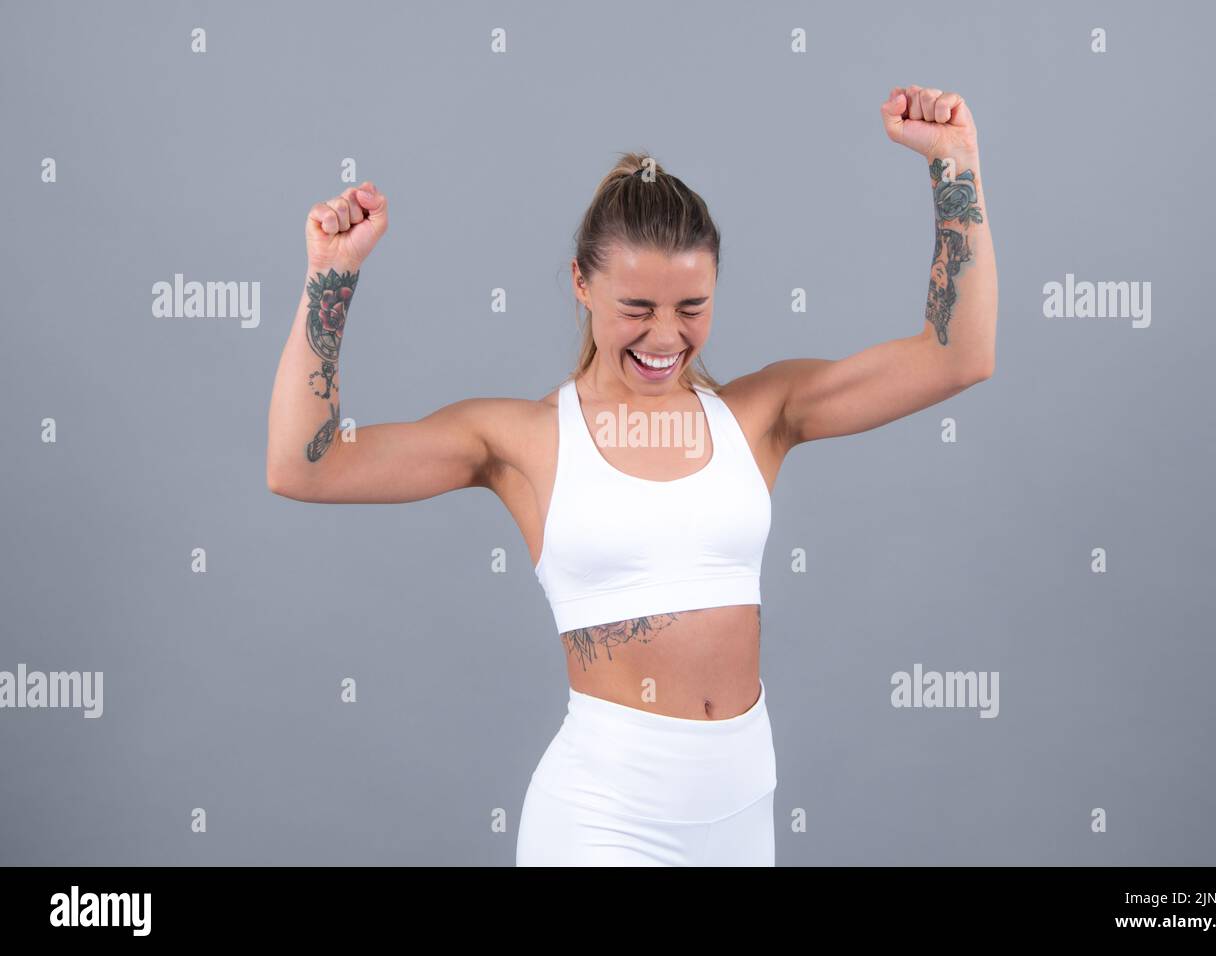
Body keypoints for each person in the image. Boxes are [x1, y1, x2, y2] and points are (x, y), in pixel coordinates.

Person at [266, 86, 997, 866]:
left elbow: (957, 356)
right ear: (582, 285)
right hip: (603, 823)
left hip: (744, 817)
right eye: (637, 306)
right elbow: (307, 466)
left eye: (692, 306)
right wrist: (330, 278)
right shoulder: (522, 439)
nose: (664, 335)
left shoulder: (759, 415)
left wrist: (955, 163)